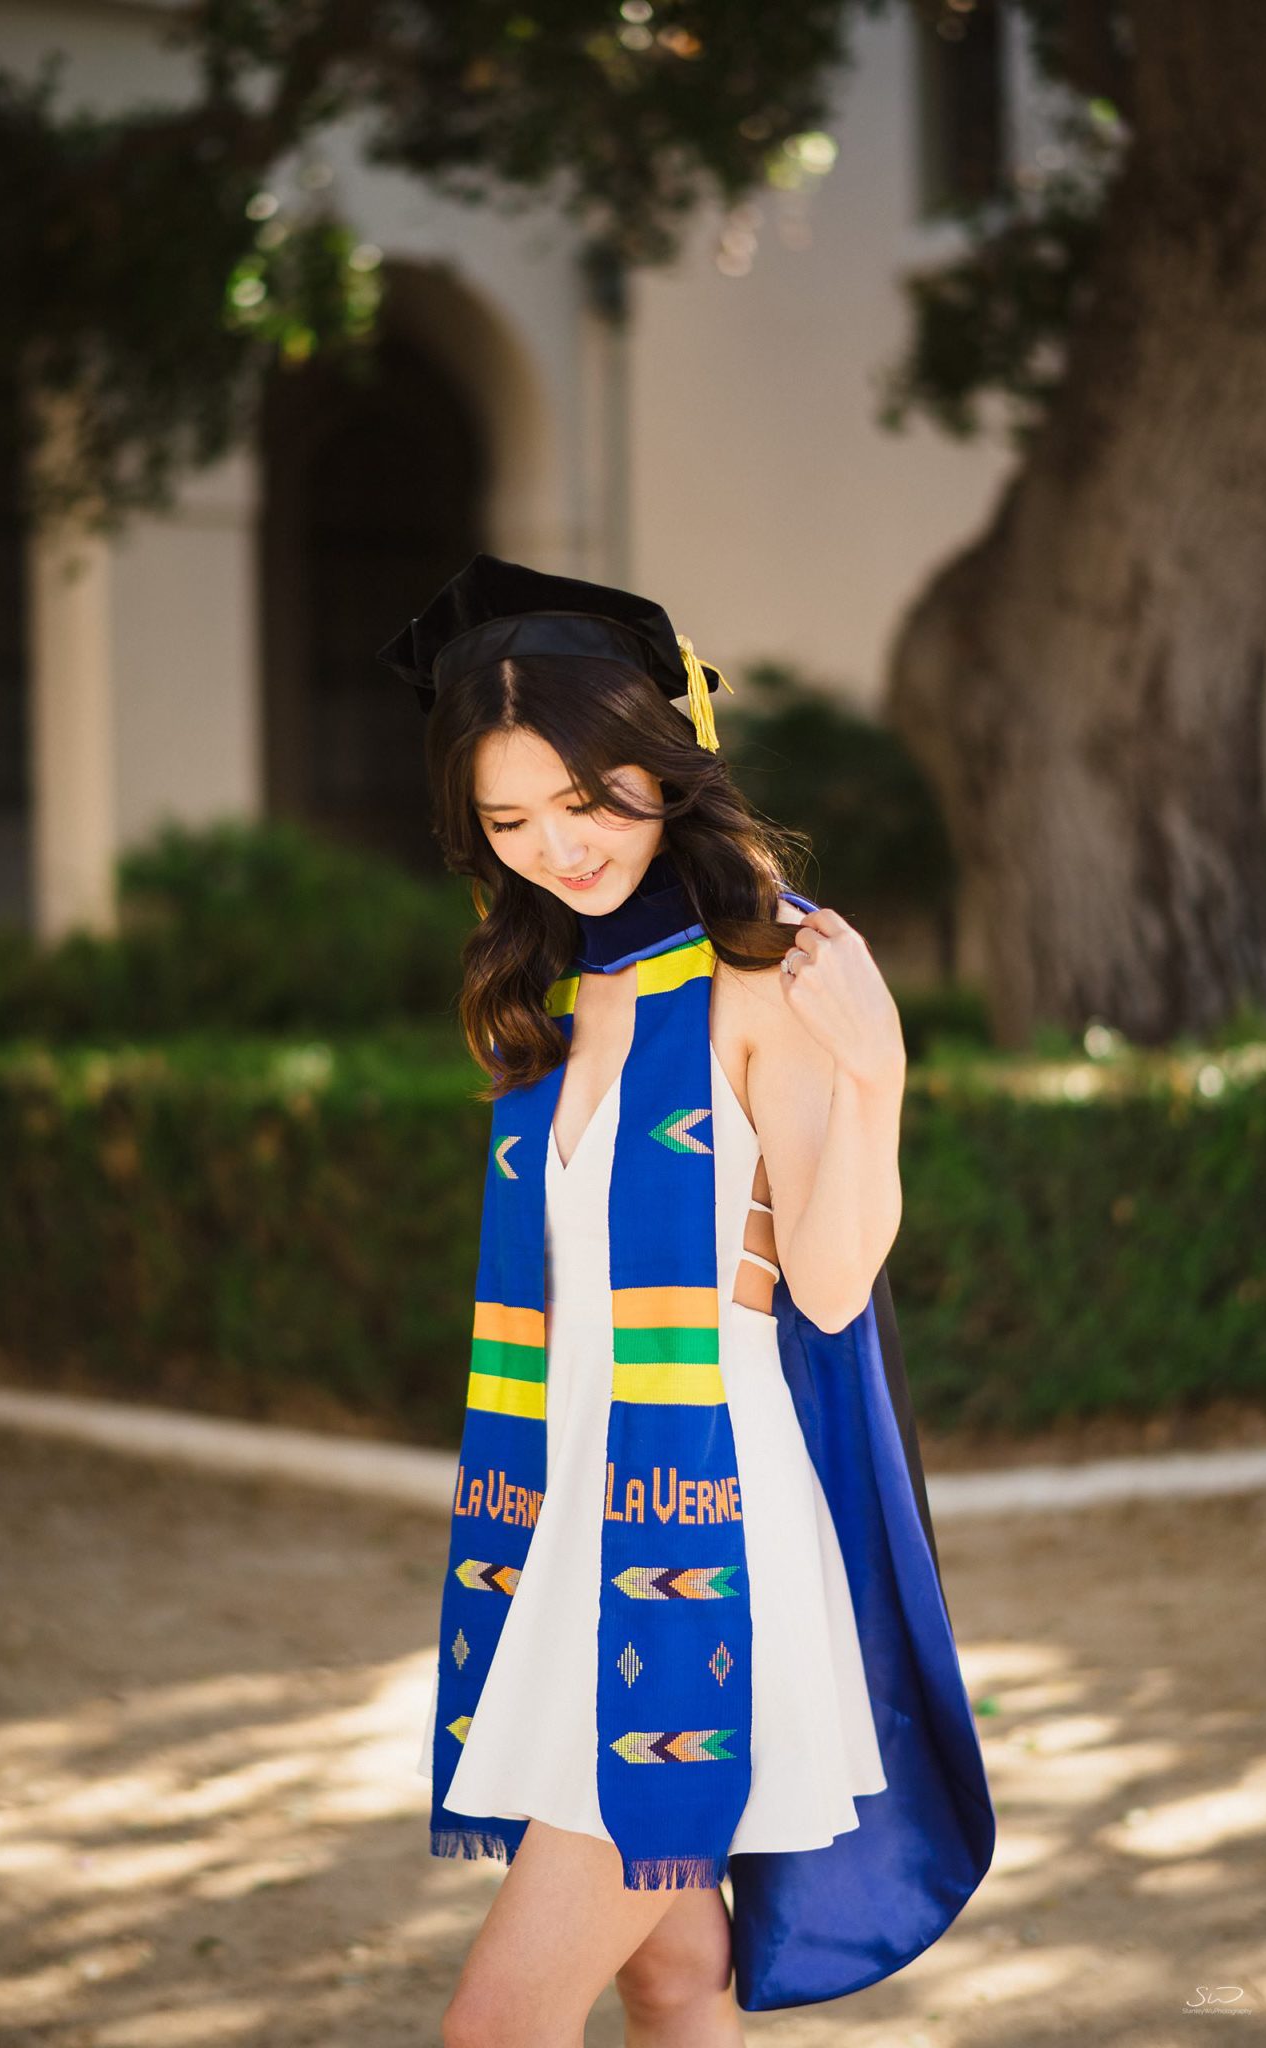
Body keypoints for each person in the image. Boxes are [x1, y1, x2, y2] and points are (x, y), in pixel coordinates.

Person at [378, 557, 994, 2046]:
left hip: (694, 1550)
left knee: (493, 2024)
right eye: (509, 823)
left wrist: (877, 1078)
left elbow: (828, 1287)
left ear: (663, 762)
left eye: (588, 801)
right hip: (565, 1526)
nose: (558, 849)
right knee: (668, 1974)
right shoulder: (559, 994)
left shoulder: (757, 976)